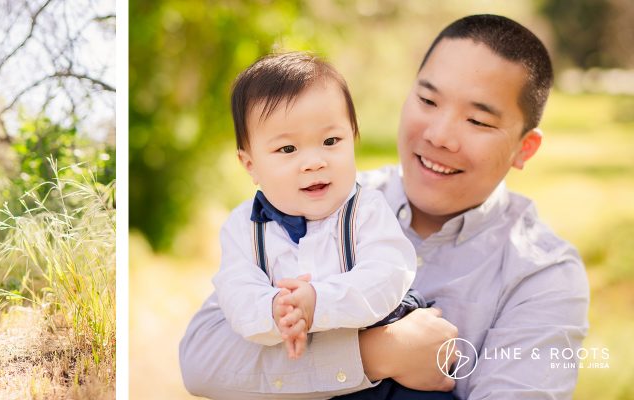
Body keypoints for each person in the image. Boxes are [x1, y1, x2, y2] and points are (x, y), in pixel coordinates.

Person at [180, 14, 589, 399]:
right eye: (428, 101)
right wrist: (378, 354)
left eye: (478, 121)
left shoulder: (543, 276)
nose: (440, 135)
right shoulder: (315, 203)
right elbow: (202, 361)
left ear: (525, 147)